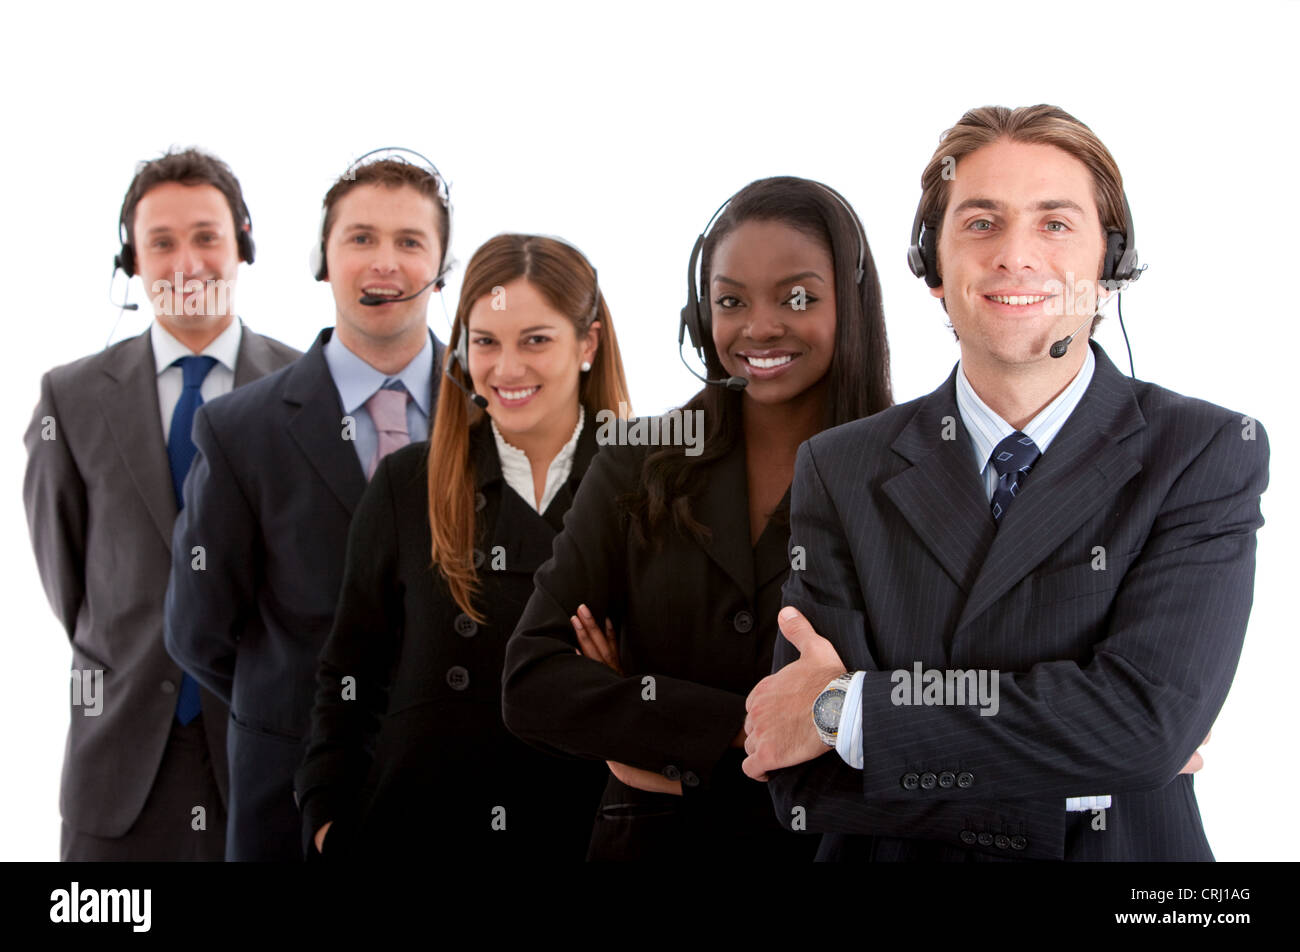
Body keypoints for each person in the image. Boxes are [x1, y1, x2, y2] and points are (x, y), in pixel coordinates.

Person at [742, 104, 1268, 861]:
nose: (1015, 256)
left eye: (1055, 224)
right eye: (981, 223)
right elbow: (805, 780)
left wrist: (850, 713)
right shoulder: (842, 466)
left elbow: (1146, 728)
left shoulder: (1206, 452)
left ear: (1109, 264)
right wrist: (1086, 770)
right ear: (931, 265)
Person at [503, 177, 893, 860]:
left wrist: (639, 721)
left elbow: (918, 717)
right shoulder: (638, 462)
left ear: (850, 305)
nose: (760, 325)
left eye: (796, 296)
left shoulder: (908, 480)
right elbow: (533, 682)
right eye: (731, 301)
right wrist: (746, 730)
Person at [296, 234, 629, 859]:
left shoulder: (648, 488)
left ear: (587, 344)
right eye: (486, 342)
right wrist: (329, 822)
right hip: (416, 832)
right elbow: (347, 677)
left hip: (584, 835)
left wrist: (620, 684)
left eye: (536, 339)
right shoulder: (407, 484)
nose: (506, 369)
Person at [164, 150, 450, 861]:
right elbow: (199, 630)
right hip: (287, 802)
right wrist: (297, 707)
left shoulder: (497, 414)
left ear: (441, 269)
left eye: (409, 242)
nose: (384, 262)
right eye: (361, 238)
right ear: (324, 259)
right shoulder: (239, 430)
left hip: (466, 792)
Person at [22, 148, 300, 861]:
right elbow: (72, 586)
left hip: (273, 755)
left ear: (243, 243)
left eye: (206, 236)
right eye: (162, 242)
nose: (186, 262)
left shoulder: (311, 388)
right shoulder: (71, 398)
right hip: (119, 768)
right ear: (132, 262)